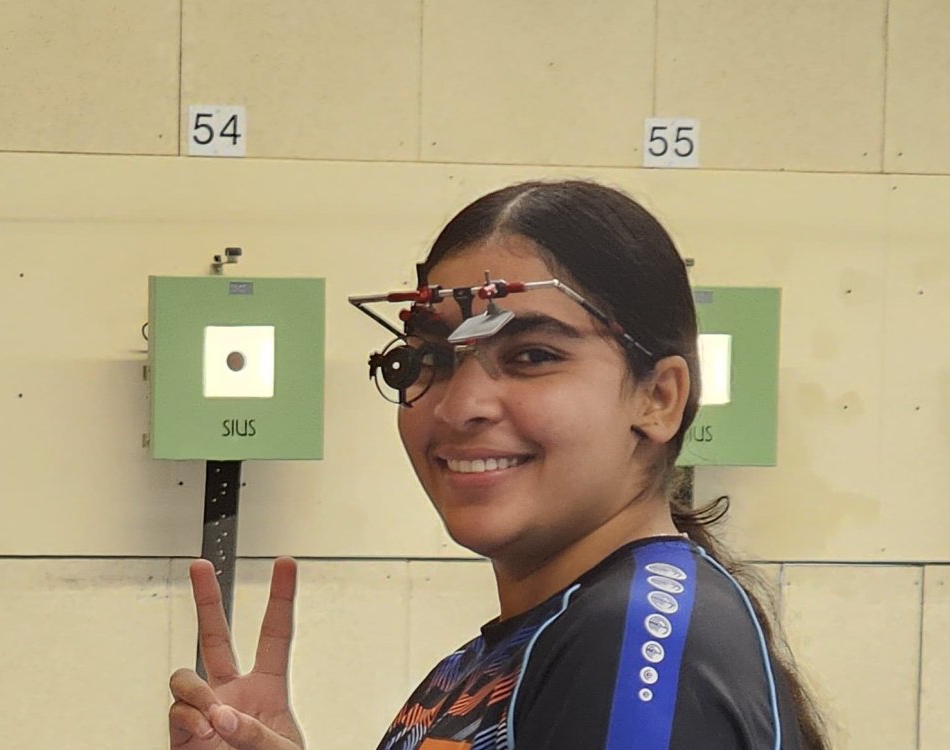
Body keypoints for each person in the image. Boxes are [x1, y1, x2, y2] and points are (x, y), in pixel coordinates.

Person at [168, 180, 829, 750]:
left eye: (533, 355)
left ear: (658, 398)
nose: (459, 405)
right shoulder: (517, 650)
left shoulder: (628, 645)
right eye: (426, 358)